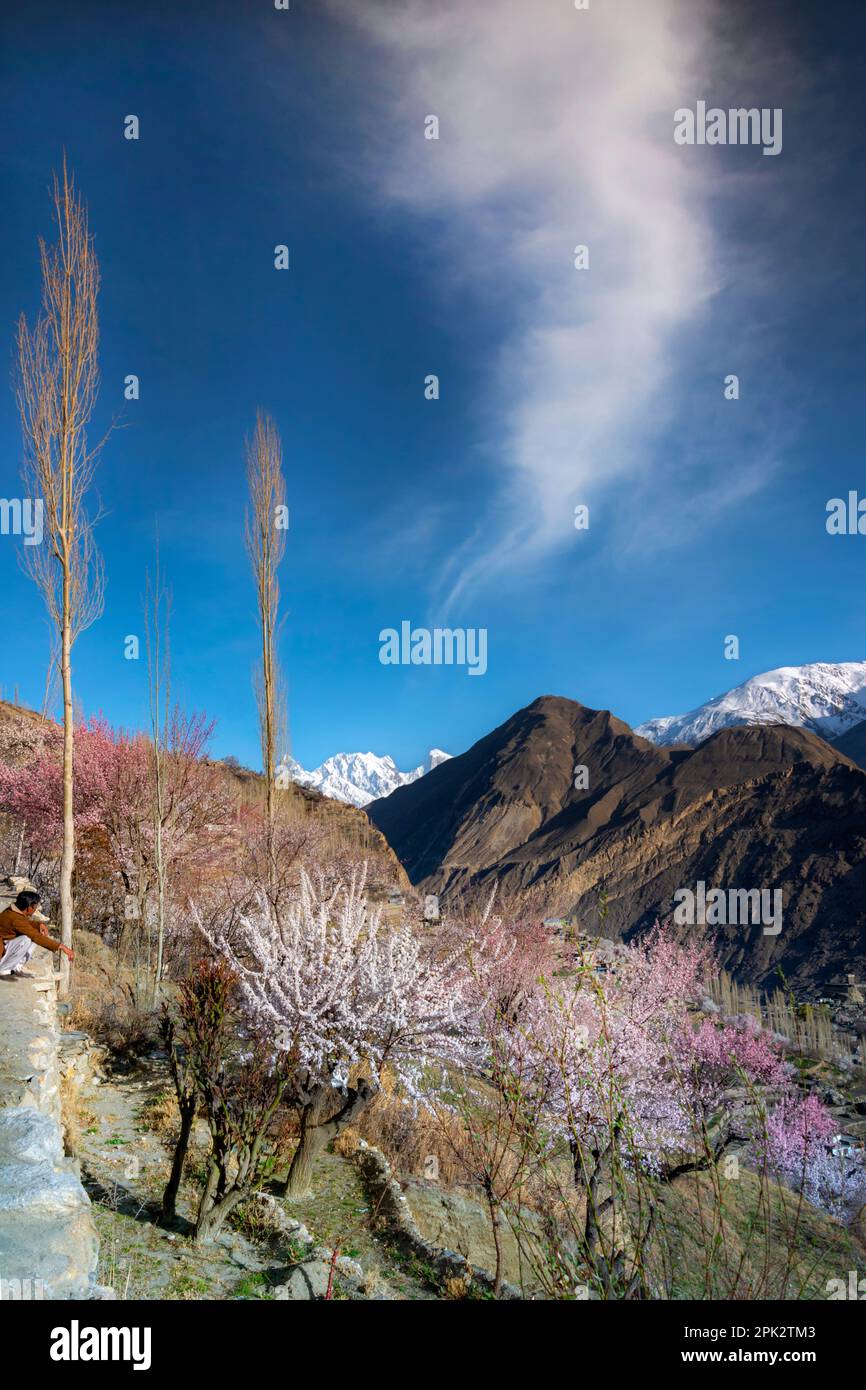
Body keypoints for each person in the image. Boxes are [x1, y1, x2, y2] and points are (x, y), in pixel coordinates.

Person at [0, 890, 73, 980]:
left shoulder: (13, 911)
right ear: (28, 908)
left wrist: (39, 925)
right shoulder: (15, 919)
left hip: (4, 944)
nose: (35, 909)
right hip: (2, 948)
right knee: (27, 938)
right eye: (35, 907)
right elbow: (35, 936)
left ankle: (16, 966)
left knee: (34, 933)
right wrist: (61, 947)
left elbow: (24, 923)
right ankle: (4, 969)